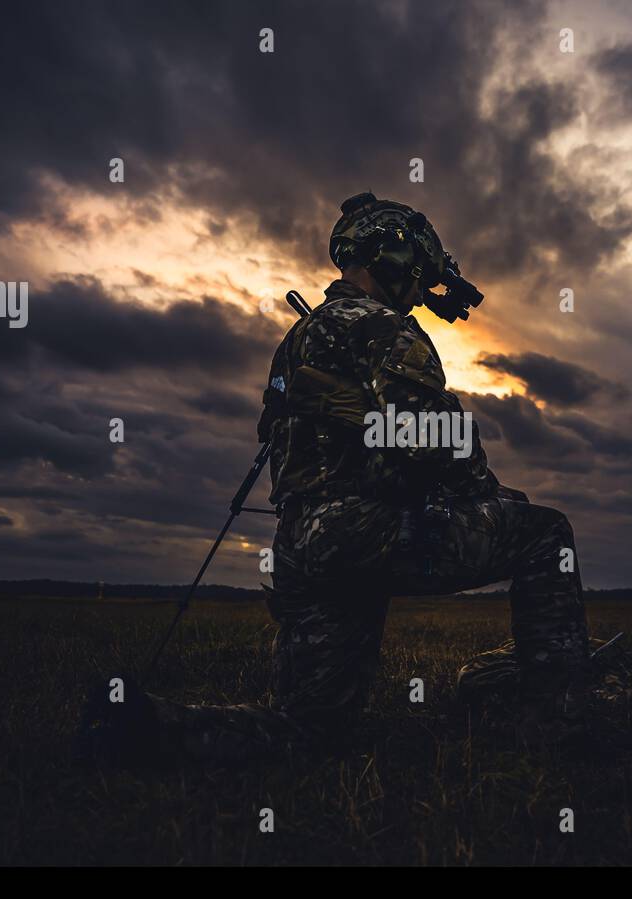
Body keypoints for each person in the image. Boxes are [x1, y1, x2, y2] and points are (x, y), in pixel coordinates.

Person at [80, 193, 592, 766]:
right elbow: (434, 441)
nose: (422, 290)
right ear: (392, 257)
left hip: (301, 549)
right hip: (368, 533)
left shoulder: (297, 339)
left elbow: (283, 433)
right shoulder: (384, 329)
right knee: (546, 533)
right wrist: (485, 490)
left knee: (308, 730)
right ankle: (558, 726)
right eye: (418, 271)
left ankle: (148, 729)